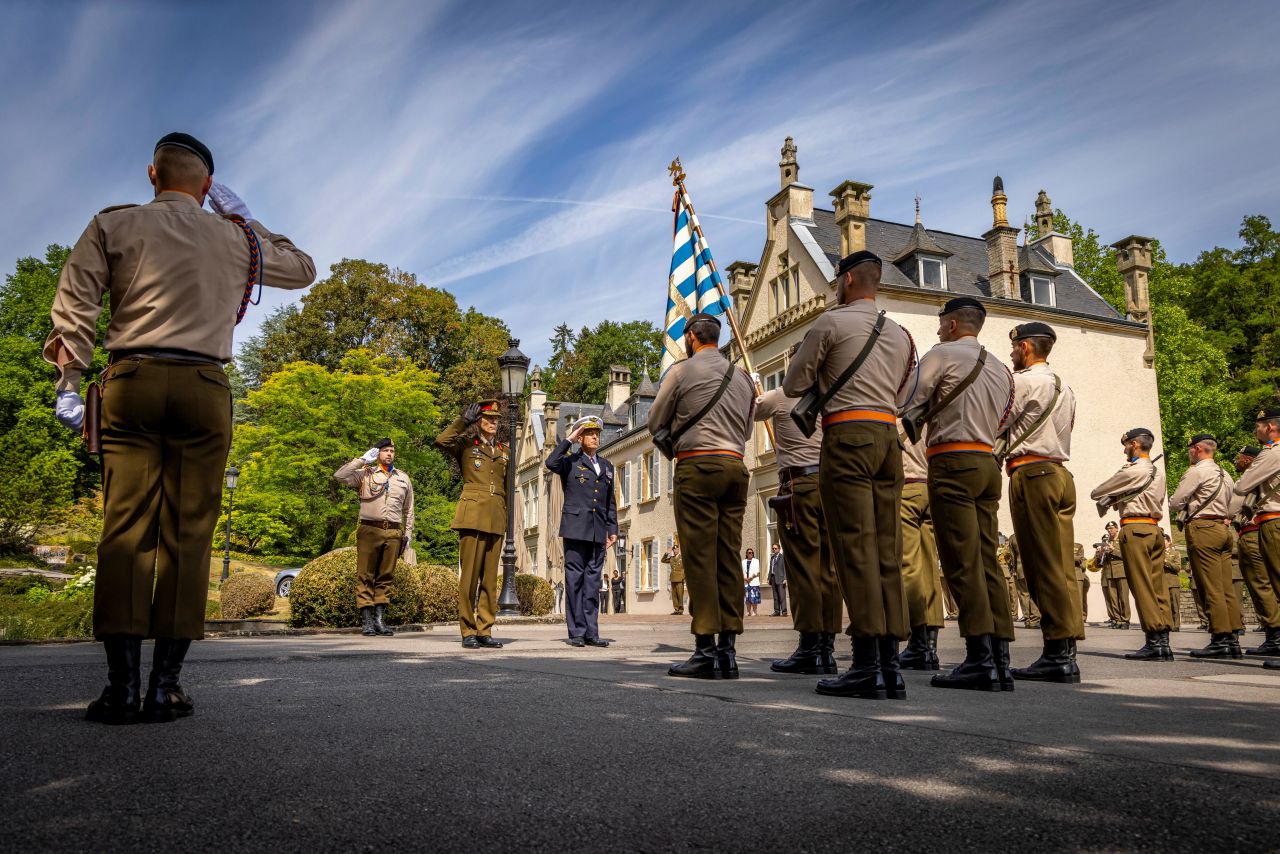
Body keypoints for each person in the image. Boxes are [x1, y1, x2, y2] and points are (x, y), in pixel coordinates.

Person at [45, 133, 316, 725]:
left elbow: (76, 306)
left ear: (151, 174)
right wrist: (245, 218)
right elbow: (302, 270)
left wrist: (71, 381)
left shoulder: (113, 225)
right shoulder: (235, 236)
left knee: (125, 531)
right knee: (190, 535)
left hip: (131, 382)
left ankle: (119, 690)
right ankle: (166, 687)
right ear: (208, 186)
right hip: (203, 387)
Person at [783, 250, 917, 699]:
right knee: (886, 549)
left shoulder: (831, 322)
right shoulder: (901, 335)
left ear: (846, 281)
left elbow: (792, 386)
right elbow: (908, 390)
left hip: (848, 435)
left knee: (854, 548)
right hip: (887, 436)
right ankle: (889, 662)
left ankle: (864, 664)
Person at [901, 296, 1016, 693]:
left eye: (939, 322)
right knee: (986, 558)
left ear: (951, 325)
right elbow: (1006, 418)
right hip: (987, 461)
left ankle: (979, 658)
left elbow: (908, 400)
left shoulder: (942, 354)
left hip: (953, 459)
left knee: (961, 561)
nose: (936, 329)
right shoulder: (1001, 367)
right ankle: (1000, 657)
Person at [647, 312, 754, 679]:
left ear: (692, 336)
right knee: (728, 557)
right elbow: (748, 428)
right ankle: (729, 650)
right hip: (735, 466)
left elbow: (654, 420)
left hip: (698, 465)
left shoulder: (681, 372)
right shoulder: (741, 376)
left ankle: (706, 648)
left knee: (700, 558)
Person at [1001, 321, 1081, 684]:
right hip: (1060, 472)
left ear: (1028, 348)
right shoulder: (1066, 387)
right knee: (1062, 565)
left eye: (1015, 346)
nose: (1013, 352)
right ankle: (1067, 650)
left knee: (1040, 564)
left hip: (1032, 473)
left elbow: (997, 422)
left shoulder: (1021, 383)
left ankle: (1057, 652)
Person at [754, 386, 841, 675]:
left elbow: (751, 412)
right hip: (831, 484)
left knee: (804, 569)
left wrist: (757, 391)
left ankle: (809, 646)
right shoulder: (832, 393)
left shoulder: (781, 395)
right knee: (828, 570)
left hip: (798, 484)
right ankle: (826, 648)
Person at [1090, 428, 1172, 661]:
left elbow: (1097, 492)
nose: (1124, 449)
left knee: (1142, 586)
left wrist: (1115, 493)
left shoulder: (1134, 469)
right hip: (1154, 528)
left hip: (1135, 529)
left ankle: (1154, 640)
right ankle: (1164, 641)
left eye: (1126, 445)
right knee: (1157, 587)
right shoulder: (1157, 472)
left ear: (1135, 444)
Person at [435, 400, 508, 649]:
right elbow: (442, 440)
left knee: (489, 580)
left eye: (496, 419)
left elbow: (507, 489)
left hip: (496, 517)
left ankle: (484, 629)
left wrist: (507, 520)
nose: (492, 423)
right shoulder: (467, 445)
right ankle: (467, 630)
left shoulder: (504, 451)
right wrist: (461, 421)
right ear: (478, 422)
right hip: (472, 515)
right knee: (469, 579)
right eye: (487, 419)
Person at [545, 415, 617, 648]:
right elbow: (550, 463)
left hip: (598, 531)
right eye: (589, 433)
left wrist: (612, 528)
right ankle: (576, 631)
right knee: (575, 581)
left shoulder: (606, 466)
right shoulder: (570, 462)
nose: (595, 436)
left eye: (597, 433)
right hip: (576, 530)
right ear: (580, 437)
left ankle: (591, 632)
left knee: (593, 583)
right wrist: (569, 440)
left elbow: (610, 501)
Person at [334, 439, 415, 637]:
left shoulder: (403, 478)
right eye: (385, 450)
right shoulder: (365, 474)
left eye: (392, 451)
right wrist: (361, 460)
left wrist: (408, 535)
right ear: (377, 453)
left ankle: (380, 620)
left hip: (394, 532)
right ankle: (367, 621)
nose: (389, 454)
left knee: (386, 576)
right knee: (366, 575)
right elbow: (339, 476)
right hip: (370, 529)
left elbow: (409, 510)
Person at [1170, 434, 1241, 657]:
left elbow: (1175, 502)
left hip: (1203, 529)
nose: (1189, 452)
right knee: (1225, 586)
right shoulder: (1225, 473)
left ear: (1198, 449)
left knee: (1209, 586)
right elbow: (1232, 506)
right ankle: (1232, 637)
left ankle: (1219, 637)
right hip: (1223, 528)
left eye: (1190, 449)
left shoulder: (1197, 471)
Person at [1233, 408, 1280, 670]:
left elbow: (1241, 487)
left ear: (1271, 427)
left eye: (1259, 425)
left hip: (1274, 521)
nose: (1256, 430)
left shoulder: (1272, 453)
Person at [898, 423, 942, 671]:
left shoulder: (896, 411)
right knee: (928, 568)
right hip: (930, 487)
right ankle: (930, 646)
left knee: (909, 567)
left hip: (907, 488)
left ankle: (918, 644)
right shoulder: (930, 412)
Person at [1097, 522, 1130, 628]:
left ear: (1117, 528)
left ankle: (1125, 620)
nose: (1109, 530)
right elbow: (1102, 561)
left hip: (1121, 572)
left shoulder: (1122, 540)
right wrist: (1101, 554)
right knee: (1113, 598)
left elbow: (1127, 555)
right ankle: (1117, 619)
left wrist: (1113, 550)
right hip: (1109, 572)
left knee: (1123, 597)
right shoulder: (1107, 541)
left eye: (1111, 528)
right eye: (1108, 529)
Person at [1162, 534, 1183, 632]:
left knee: (1175, 605)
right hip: (1162, 583)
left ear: (1169, 542)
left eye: (1165, 541)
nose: (1163, 543)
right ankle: (1168, 624)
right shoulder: (1158, 554)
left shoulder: (1175, 553)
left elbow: (1177, 568)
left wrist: (1166, 562)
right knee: (1165, 606)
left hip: (1173, 582)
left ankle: (1176, 625)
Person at [661, 542, 686, 615]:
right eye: (674, 550)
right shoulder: (671, 558)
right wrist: (666, 553)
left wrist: (684, 576)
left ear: (678, 550)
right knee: (674, 595)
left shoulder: (682, 558)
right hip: (673, 578)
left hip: (680, 578)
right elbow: (663, 560)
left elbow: (687, 568)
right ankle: (676, 609)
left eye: (676, 549)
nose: (675, 551)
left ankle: (681, 610)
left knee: (680, 595)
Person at [767, 543, 788, 617]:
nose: (774, 549)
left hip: (781, 578)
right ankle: (777, 611)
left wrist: (785, 578)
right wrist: (768, 578)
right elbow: (770, 569)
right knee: (775, 596)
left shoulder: (782, 557)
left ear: (779, 549)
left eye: (775, 548)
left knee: (782, 596)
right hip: (773, 578)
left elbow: (785, 568)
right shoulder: (772, 558)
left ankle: (784, 612)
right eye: (773, 548)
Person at [742, 548, 762, 617]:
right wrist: (745, 578)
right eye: (749, 552)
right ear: (746, 554)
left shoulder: (756, 561)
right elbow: (741, 571)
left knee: (754, 597)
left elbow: (757, 570)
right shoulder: (743, 562)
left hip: (754, 581)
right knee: (747, 598)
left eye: (751, 553)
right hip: (746, 582)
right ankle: (748, 612)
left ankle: (754, 611)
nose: (750, 554)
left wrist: (751, 578)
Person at [1075, 544, 1090, 626]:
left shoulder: (1078, 547)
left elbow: (1083, 564)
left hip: (1078, 577)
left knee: (1080, 598)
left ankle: (1081, 618)